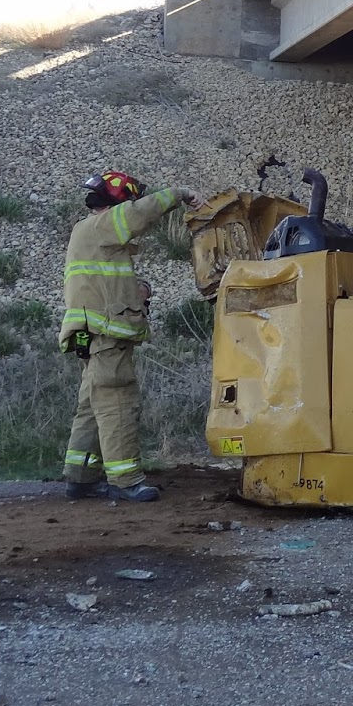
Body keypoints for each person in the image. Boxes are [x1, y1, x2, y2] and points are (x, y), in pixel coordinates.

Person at [59, 170, 201, 502]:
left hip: (91, 337)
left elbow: (100, 283)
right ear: (118, 202)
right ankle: (126, 481)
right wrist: (180, 193)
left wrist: (136, 291)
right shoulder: (104, 224)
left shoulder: (86, 232)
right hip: (107, 337)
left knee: (91, 406)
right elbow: (141, 213)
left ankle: (81, 478)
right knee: (117, 404)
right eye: (127, 202)